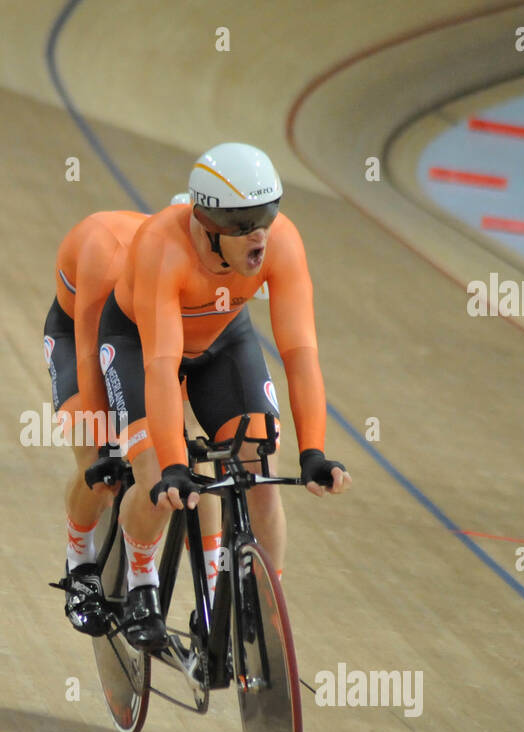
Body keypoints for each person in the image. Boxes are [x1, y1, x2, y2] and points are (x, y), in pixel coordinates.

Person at [97, 143, 352, 650]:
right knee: (156, 481)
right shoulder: (161, 247)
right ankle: (140, 571)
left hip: (221, 340)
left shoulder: (282, 243)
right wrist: (171, 464)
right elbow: (161, 366)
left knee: (260, 465)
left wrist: (314, 452)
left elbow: (300, 354)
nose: (259, 232)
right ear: (207, 225)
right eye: (242, 222)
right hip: (138, 342)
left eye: (268, 214)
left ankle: (258, 606)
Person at [44, 195, 191, 635]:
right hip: (81, 336)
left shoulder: (180, 271)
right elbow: (91, 354)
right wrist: (107, 445)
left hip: (146, 335)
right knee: (96, 458)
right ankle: (79, 562)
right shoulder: (106, 254)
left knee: (174, 454)